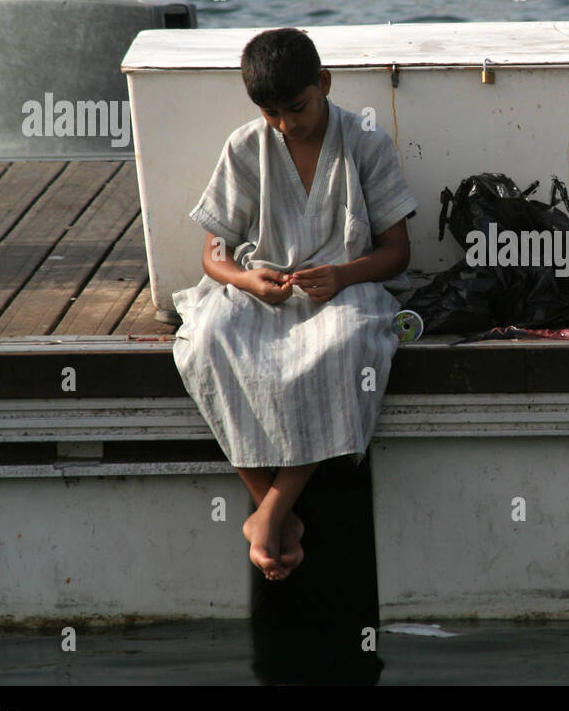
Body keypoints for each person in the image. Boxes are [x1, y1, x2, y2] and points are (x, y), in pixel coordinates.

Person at [172, 28, 416, 582]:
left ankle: (269, 516)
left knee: (347, 346)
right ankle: (275, 515)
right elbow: (215, 257)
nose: (285, 123)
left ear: (324, 84)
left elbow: (398, 253)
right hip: (262, 295)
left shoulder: (366, 144)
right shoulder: (244, 146)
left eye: (297, 108)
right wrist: (248, 281)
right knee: (207, 340)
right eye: (271, 112)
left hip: (343, 294)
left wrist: (344, 273)